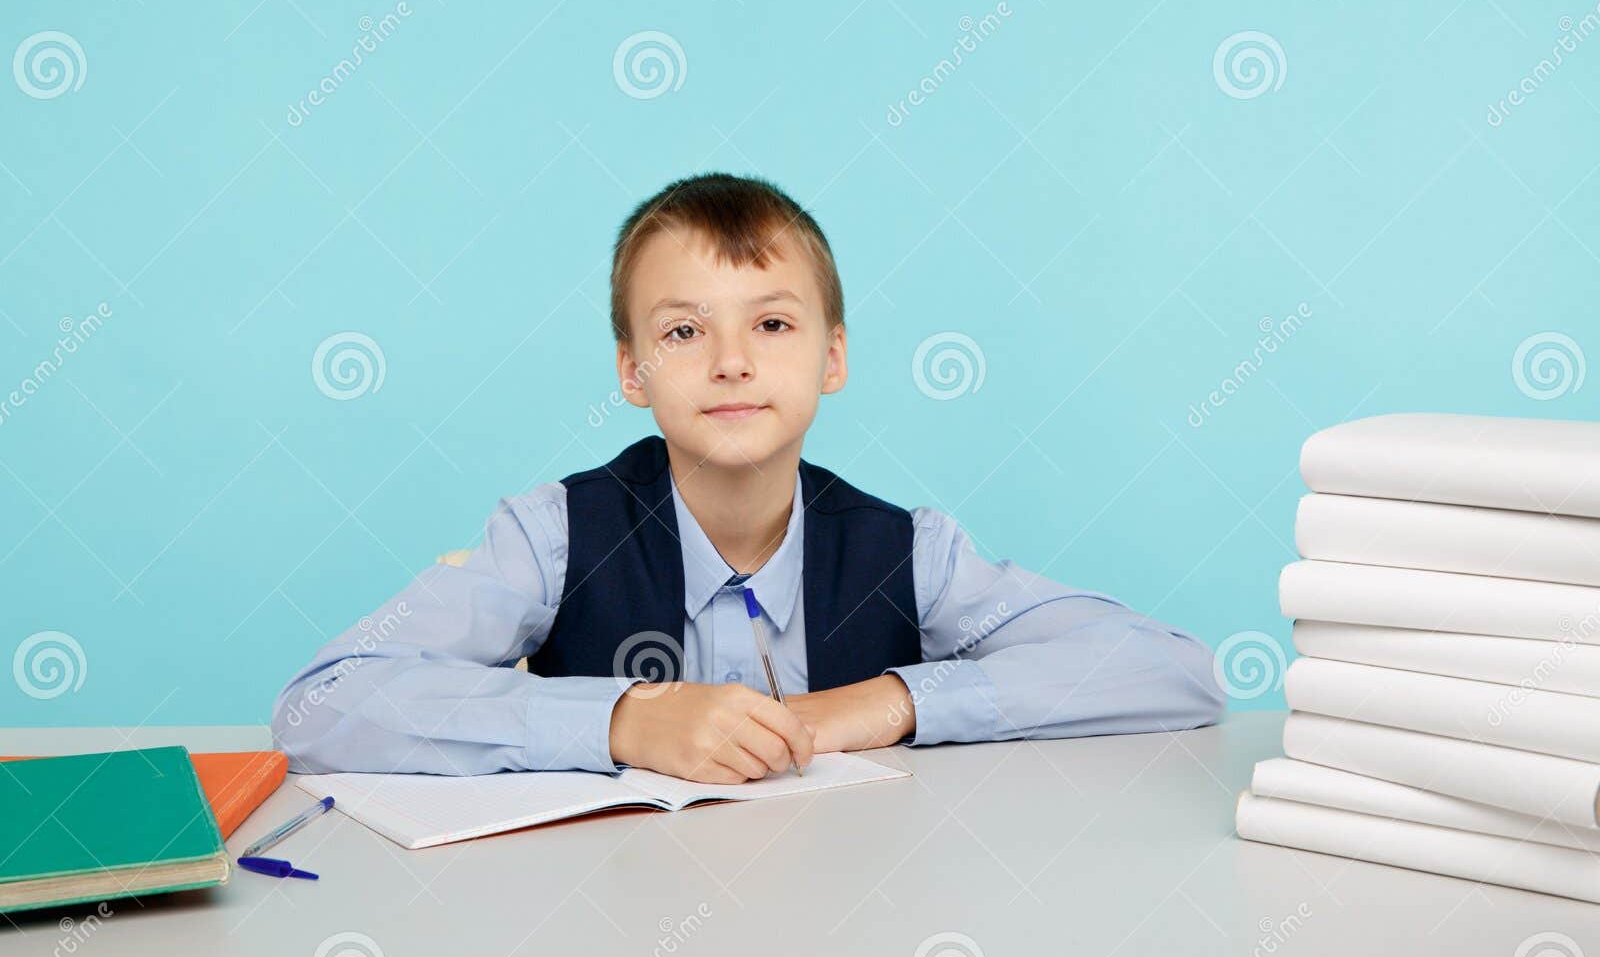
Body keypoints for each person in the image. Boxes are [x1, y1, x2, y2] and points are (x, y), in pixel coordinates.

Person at [272, 172, 1225, 780]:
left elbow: (1176, 670)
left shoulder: (910, 551)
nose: (731, 361)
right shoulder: (552, 535)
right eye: (684, 330)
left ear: (833, 357)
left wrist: (887, 701)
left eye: (771, 324)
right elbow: (320, 703)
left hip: (855, 927)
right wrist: (622, 719)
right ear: (632, 372)